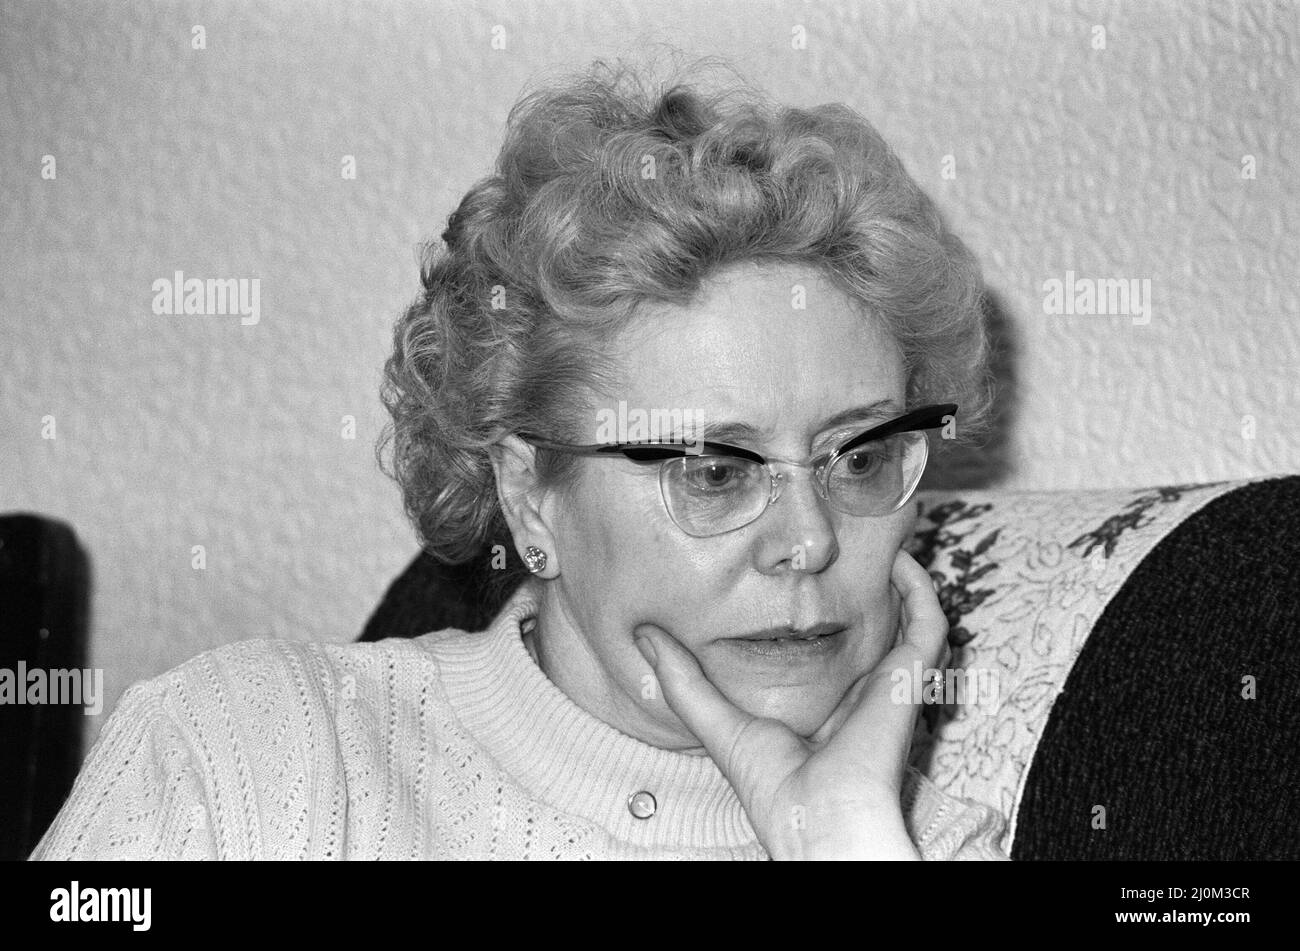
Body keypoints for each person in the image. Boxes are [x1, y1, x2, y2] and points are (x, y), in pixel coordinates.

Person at [33, 57, 1005, 860]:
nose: (809, 543)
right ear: (529, 495)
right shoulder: (255, 755)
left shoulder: (929, 847)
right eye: (715, 471)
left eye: (862, 458)